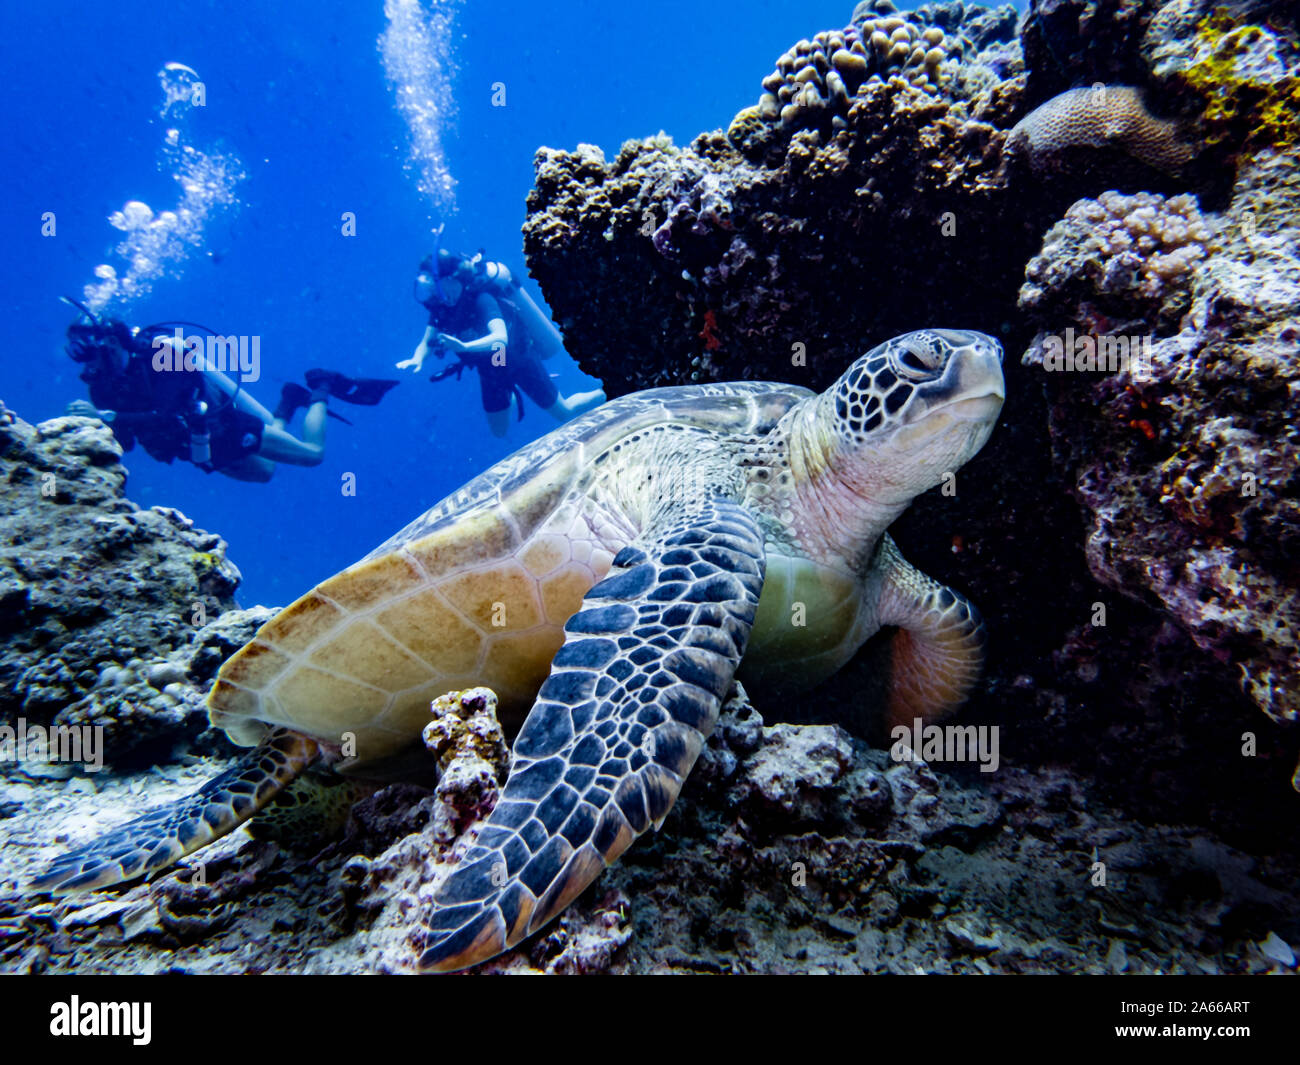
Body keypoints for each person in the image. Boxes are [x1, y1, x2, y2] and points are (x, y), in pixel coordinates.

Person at [62, 301, 397, 483]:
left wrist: (107, 417)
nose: (87, 362)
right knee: (265, 473)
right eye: (79, 351)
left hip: (226, 429)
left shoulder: (161, 356)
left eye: (88, 349)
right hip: (196, 450)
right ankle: (289, 399)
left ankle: (321, 384)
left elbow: (169, 413)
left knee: (312, 455)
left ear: (110, 342)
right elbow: (125, 442)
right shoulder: (101, 389)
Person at [396, 239, 605, 438]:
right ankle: (509, 392)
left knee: (564, 412)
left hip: (517, 358)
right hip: (492, 366)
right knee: (499, 431)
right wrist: (418, 359)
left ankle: (607, 392)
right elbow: (426, 341)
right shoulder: (441, 308)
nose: (430, 293)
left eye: (433, 286)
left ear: (449, 279)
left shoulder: (481, 299)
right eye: (426, 289)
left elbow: (500, 338)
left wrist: (465, 346)